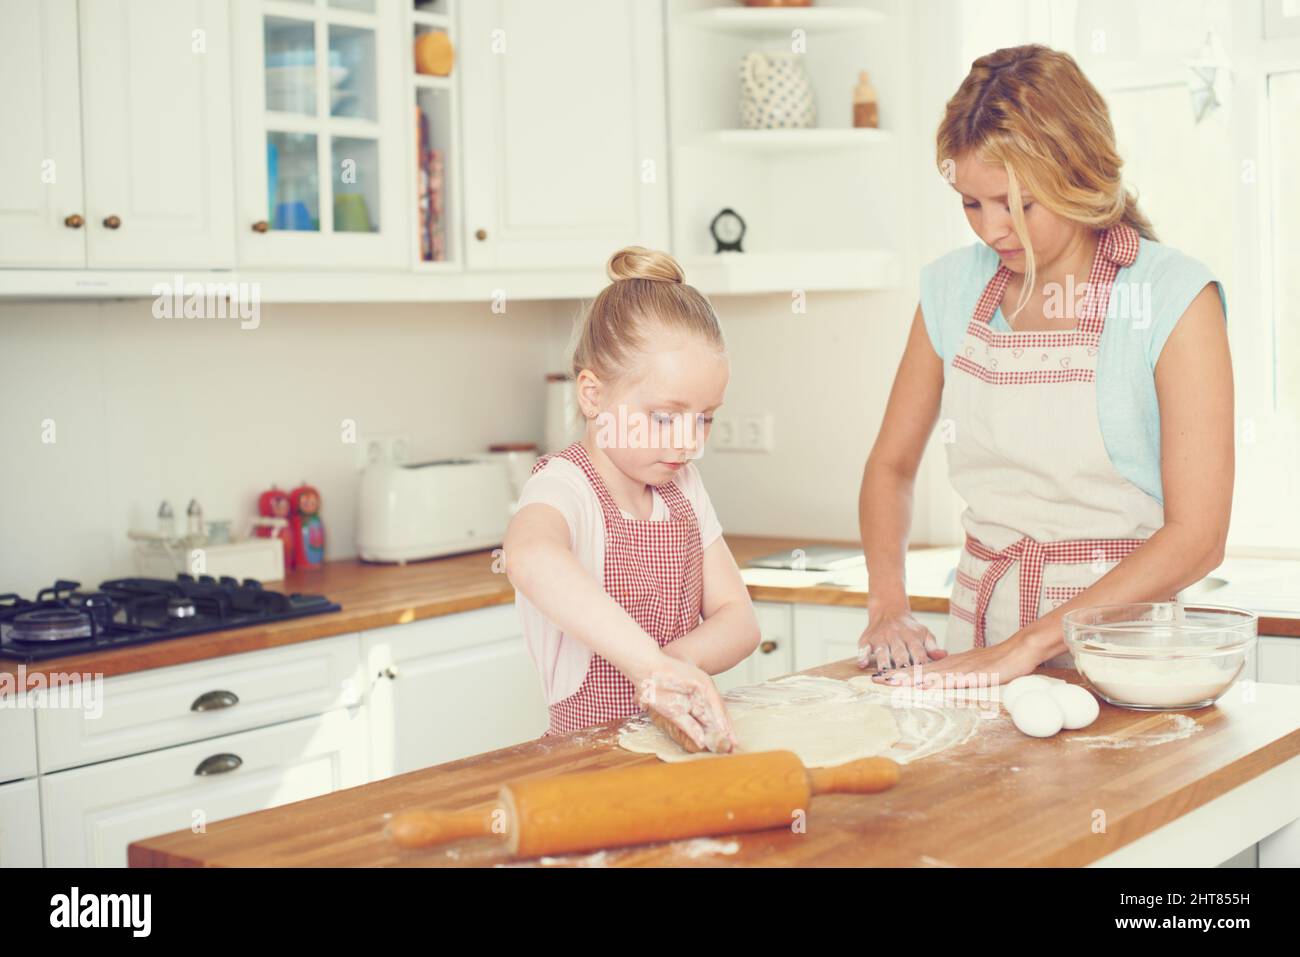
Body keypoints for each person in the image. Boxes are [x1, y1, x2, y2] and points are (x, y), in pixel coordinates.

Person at [858, 45, 1233, 687]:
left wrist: (1024, 648)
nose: (992, 230)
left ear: (1077, 174)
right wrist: (888, 603)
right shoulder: (951, 289)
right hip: (975, 636)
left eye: (1017, 205)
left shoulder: (1172, 296)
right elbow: (890, 466)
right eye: (971, 204)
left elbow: (1198, 536)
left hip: (1125, 655)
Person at [504, 246, 757, 748]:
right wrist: (646, 664)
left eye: (705, 417)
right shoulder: (565, 486)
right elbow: (529, 556)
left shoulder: (683, 488)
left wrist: (671, 669)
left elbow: (740, 619)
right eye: (665, 416)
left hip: (680, 750)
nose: (690, 442)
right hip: (586, 764)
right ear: (593, 395)